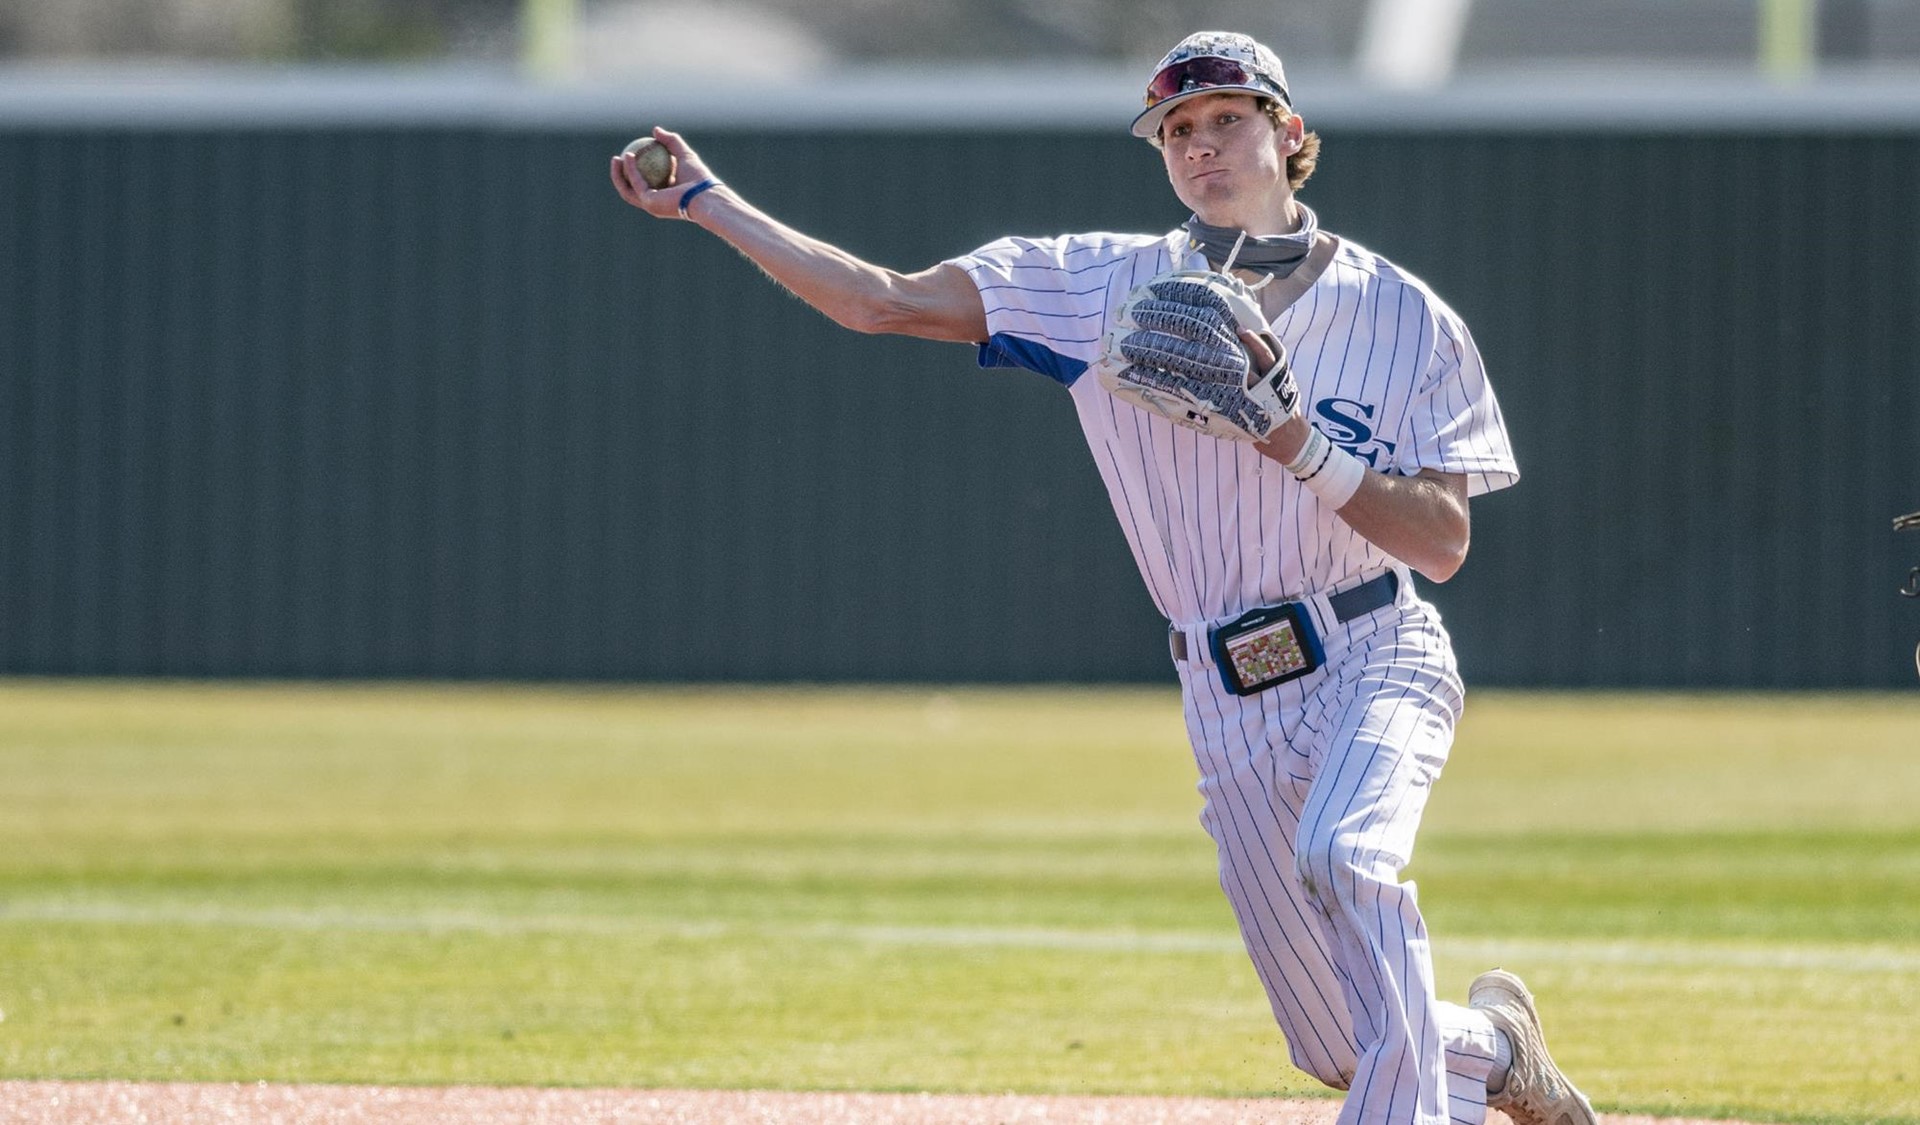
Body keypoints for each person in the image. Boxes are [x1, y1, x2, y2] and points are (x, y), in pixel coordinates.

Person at [611, 29, 1596, 1125]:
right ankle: (1496, 1053)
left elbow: (1443, 543)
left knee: (1346, 855)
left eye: (1228, 119)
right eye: (1178, 130)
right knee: (1336, 1041)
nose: (1201, 144)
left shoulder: (1405, 315)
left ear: (1289, 133)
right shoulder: (1099, 285)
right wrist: (709, 202)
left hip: (1374, 648)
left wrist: (1296, 441)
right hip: (1225, 689)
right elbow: (882, 299)